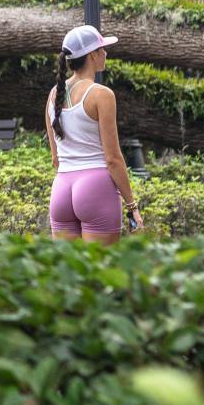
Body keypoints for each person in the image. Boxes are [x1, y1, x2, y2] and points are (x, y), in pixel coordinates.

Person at [44, 24, 142, 242]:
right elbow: (113, 159)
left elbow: (55, 158)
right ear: (92, 56)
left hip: (61, 190)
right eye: (102, 49)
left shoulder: (53, 95)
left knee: (67, 273)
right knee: (99, 272)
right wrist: (132, 206)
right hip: (95, 188)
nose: (105, 53)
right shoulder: (101, 94)